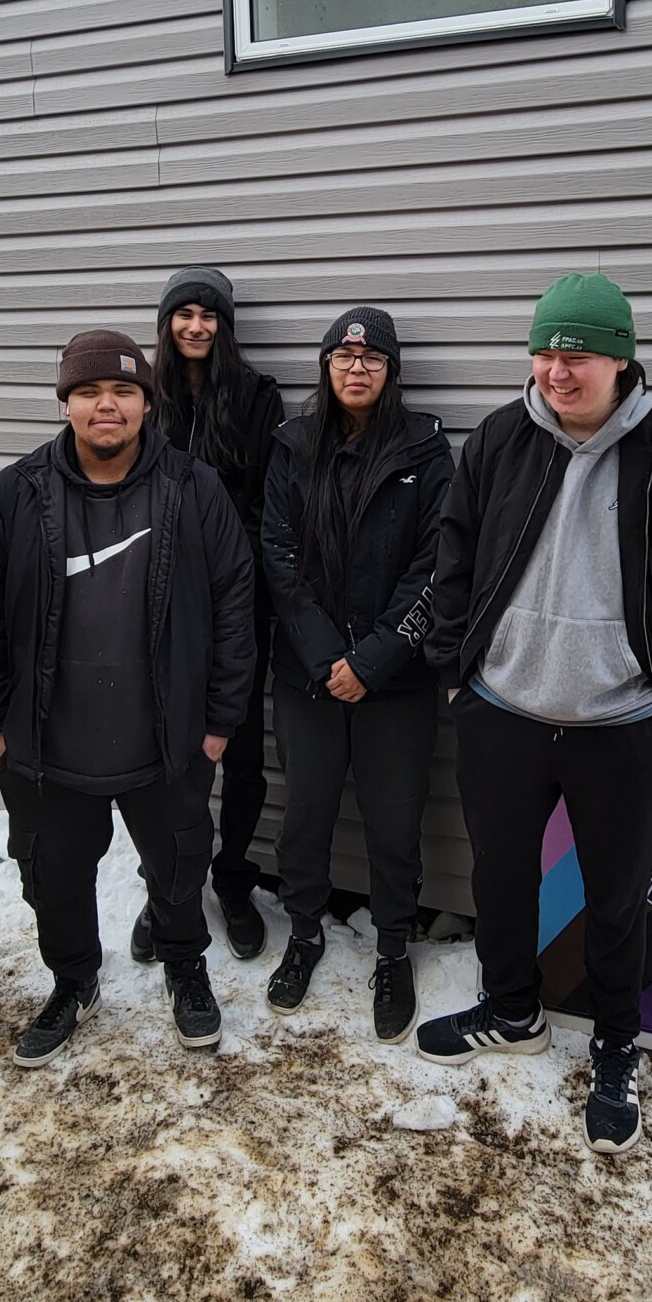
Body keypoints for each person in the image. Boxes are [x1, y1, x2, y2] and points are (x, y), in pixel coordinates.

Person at [417, 274, 652, 1155]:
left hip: (621, 724)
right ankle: (513, 1010)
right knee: (499, 878)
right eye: (545, 353)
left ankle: (614, 1045)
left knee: (614, 899)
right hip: (502, 711)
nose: (557, 374)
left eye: (578, 356)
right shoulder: (498, 439)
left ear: (621, 359)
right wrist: (457, 674)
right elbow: (453, 557)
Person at [0, 329, 258, 1066]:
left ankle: (185, 968)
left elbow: (234, 607)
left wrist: (219, 724)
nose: (107, 406)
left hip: (167, 738)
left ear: (147, 403)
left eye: (124, 391)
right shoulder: (20, 493)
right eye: (89, 392)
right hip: (46, 745)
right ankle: (73, 979)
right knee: (53, 876)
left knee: (179, 866)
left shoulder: (194, 487)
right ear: (66, 403)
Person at [260, 307, 453, 1040]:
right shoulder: (292, 446)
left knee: (395, 821)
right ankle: (304, 932)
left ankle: (394, 948)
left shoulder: (426, 451)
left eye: (372, 359)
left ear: (391, 371)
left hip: (394, 678)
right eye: (343, 356)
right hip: (308, 672)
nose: (357, 368)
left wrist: (372, 660)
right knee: (305, 811)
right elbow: (276, 554)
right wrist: (325, 657)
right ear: (327, 367)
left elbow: (436, 565)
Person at [140, 265, 285, 964]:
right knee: (166, 751)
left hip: (238, 601)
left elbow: (268, 501)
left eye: (209, 314)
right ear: (168, 323)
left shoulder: (257, 398)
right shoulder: (144, 397)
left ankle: (233, 879)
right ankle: (169, 883)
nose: (196, 325)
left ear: (224, 326)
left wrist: (231, 578)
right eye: (184, 313)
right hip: (156, 605)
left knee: (245, 752)